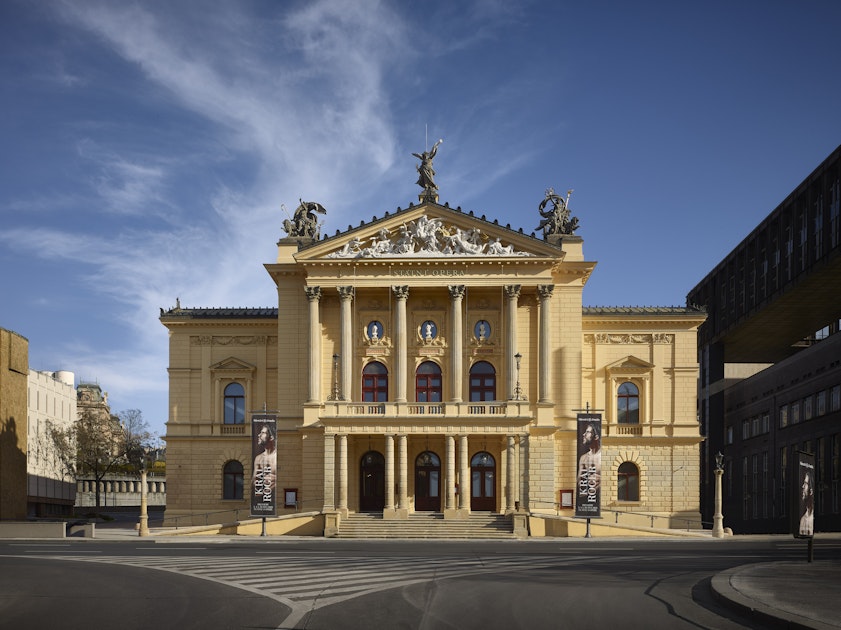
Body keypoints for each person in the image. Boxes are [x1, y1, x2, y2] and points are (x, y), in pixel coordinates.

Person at [577, 422, 601, 501]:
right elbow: (579, 482)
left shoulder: (603, 456)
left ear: (596, 437)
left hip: (601, 502)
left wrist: (601, 482)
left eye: (587, 432)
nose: (583, 434)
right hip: (586, 501)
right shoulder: (583, 458)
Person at [252, 424, 277, 497]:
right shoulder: (259, 458)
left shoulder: (278, 456)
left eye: (263, 433)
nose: (259, 435)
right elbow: (254, 481)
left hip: (277, 498)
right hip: (263, 499)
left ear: (271, 437)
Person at [799, 470, 814, 536]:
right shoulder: (802, 520)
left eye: (805, 484)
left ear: (811, 490)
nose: (803, 486)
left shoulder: (812, 518)